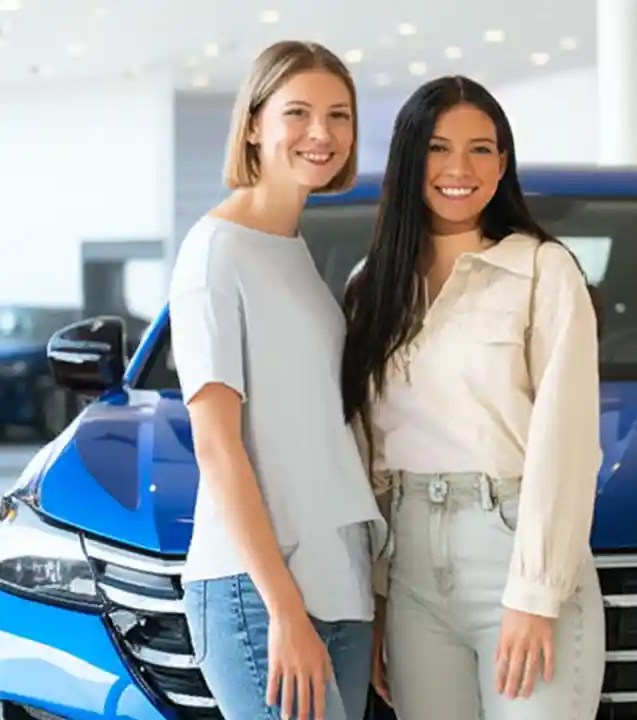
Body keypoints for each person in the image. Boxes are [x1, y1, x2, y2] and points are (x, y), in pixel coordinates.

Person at [340, 75, 606, 719]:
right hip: (410, 568)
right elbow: (364, 452)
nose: (460, 168)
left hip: (511, 547)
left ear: (504, 162)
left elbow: (566, 445)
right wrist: (375, 594)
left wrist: (536, 594)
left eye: (482, 149)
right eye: (438, 147)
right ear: (409, 159)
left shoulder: (544, 270)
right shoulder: (370, 286)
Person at [170, 41, 386, 720]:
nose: (321, 134)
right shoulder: (216, 251)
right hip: (262, 590)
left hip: (335, 579)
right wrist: (285, 611)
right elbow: (217, 447)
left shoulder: (293, 253)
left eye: (339, 115)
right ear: (255, 122)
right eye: (298, 112)